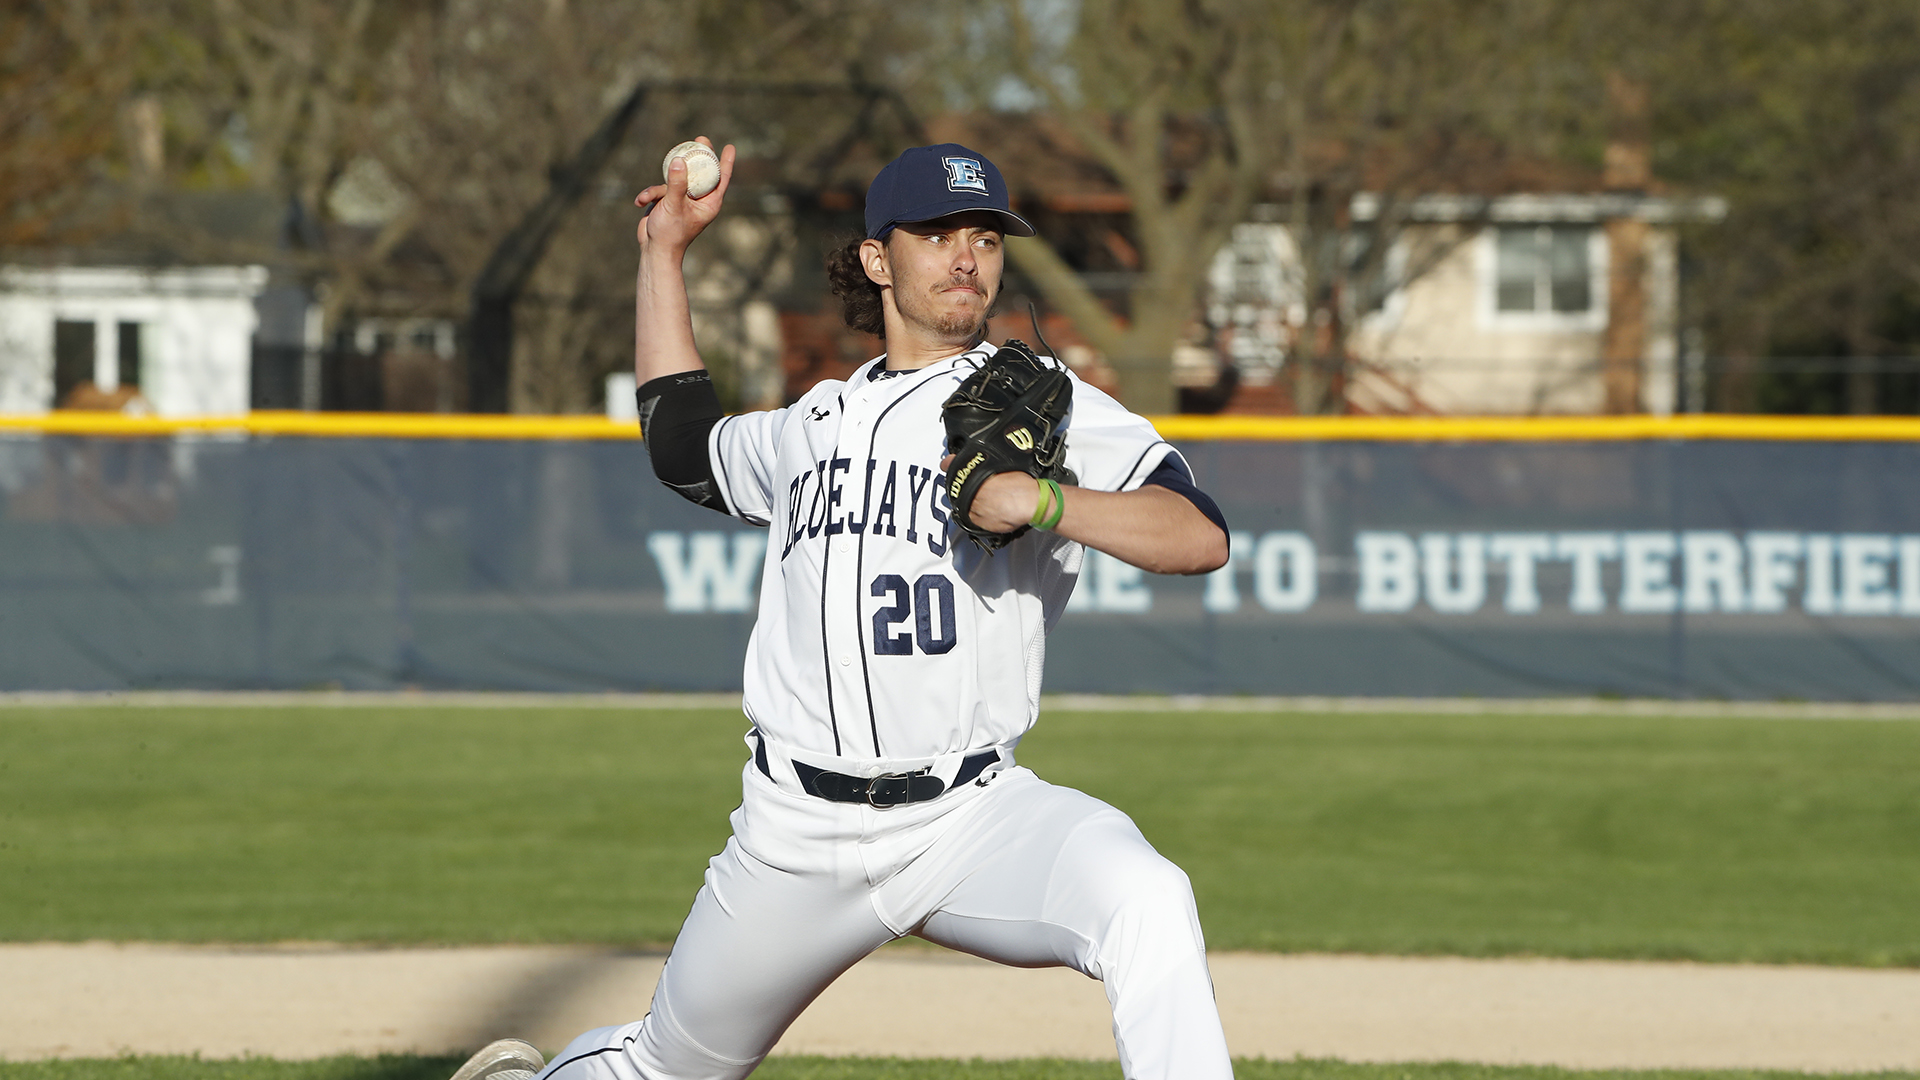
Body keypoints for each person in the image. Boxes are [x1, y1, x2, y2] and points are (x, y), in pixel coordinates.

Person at [449, 139, 1234, 1080]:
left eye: (985, 238)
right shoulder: (811, 425)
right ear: (876, 259)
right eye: (937, 235)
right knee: (662, 1069)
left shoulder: (1047, 409)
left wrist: (1044, 498)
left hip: (967, 817)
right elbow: (682, 443)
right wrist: (663, 253)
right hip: (793, 831)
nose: (966, 258)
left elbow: (1199, 534)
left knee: (1146, 898)